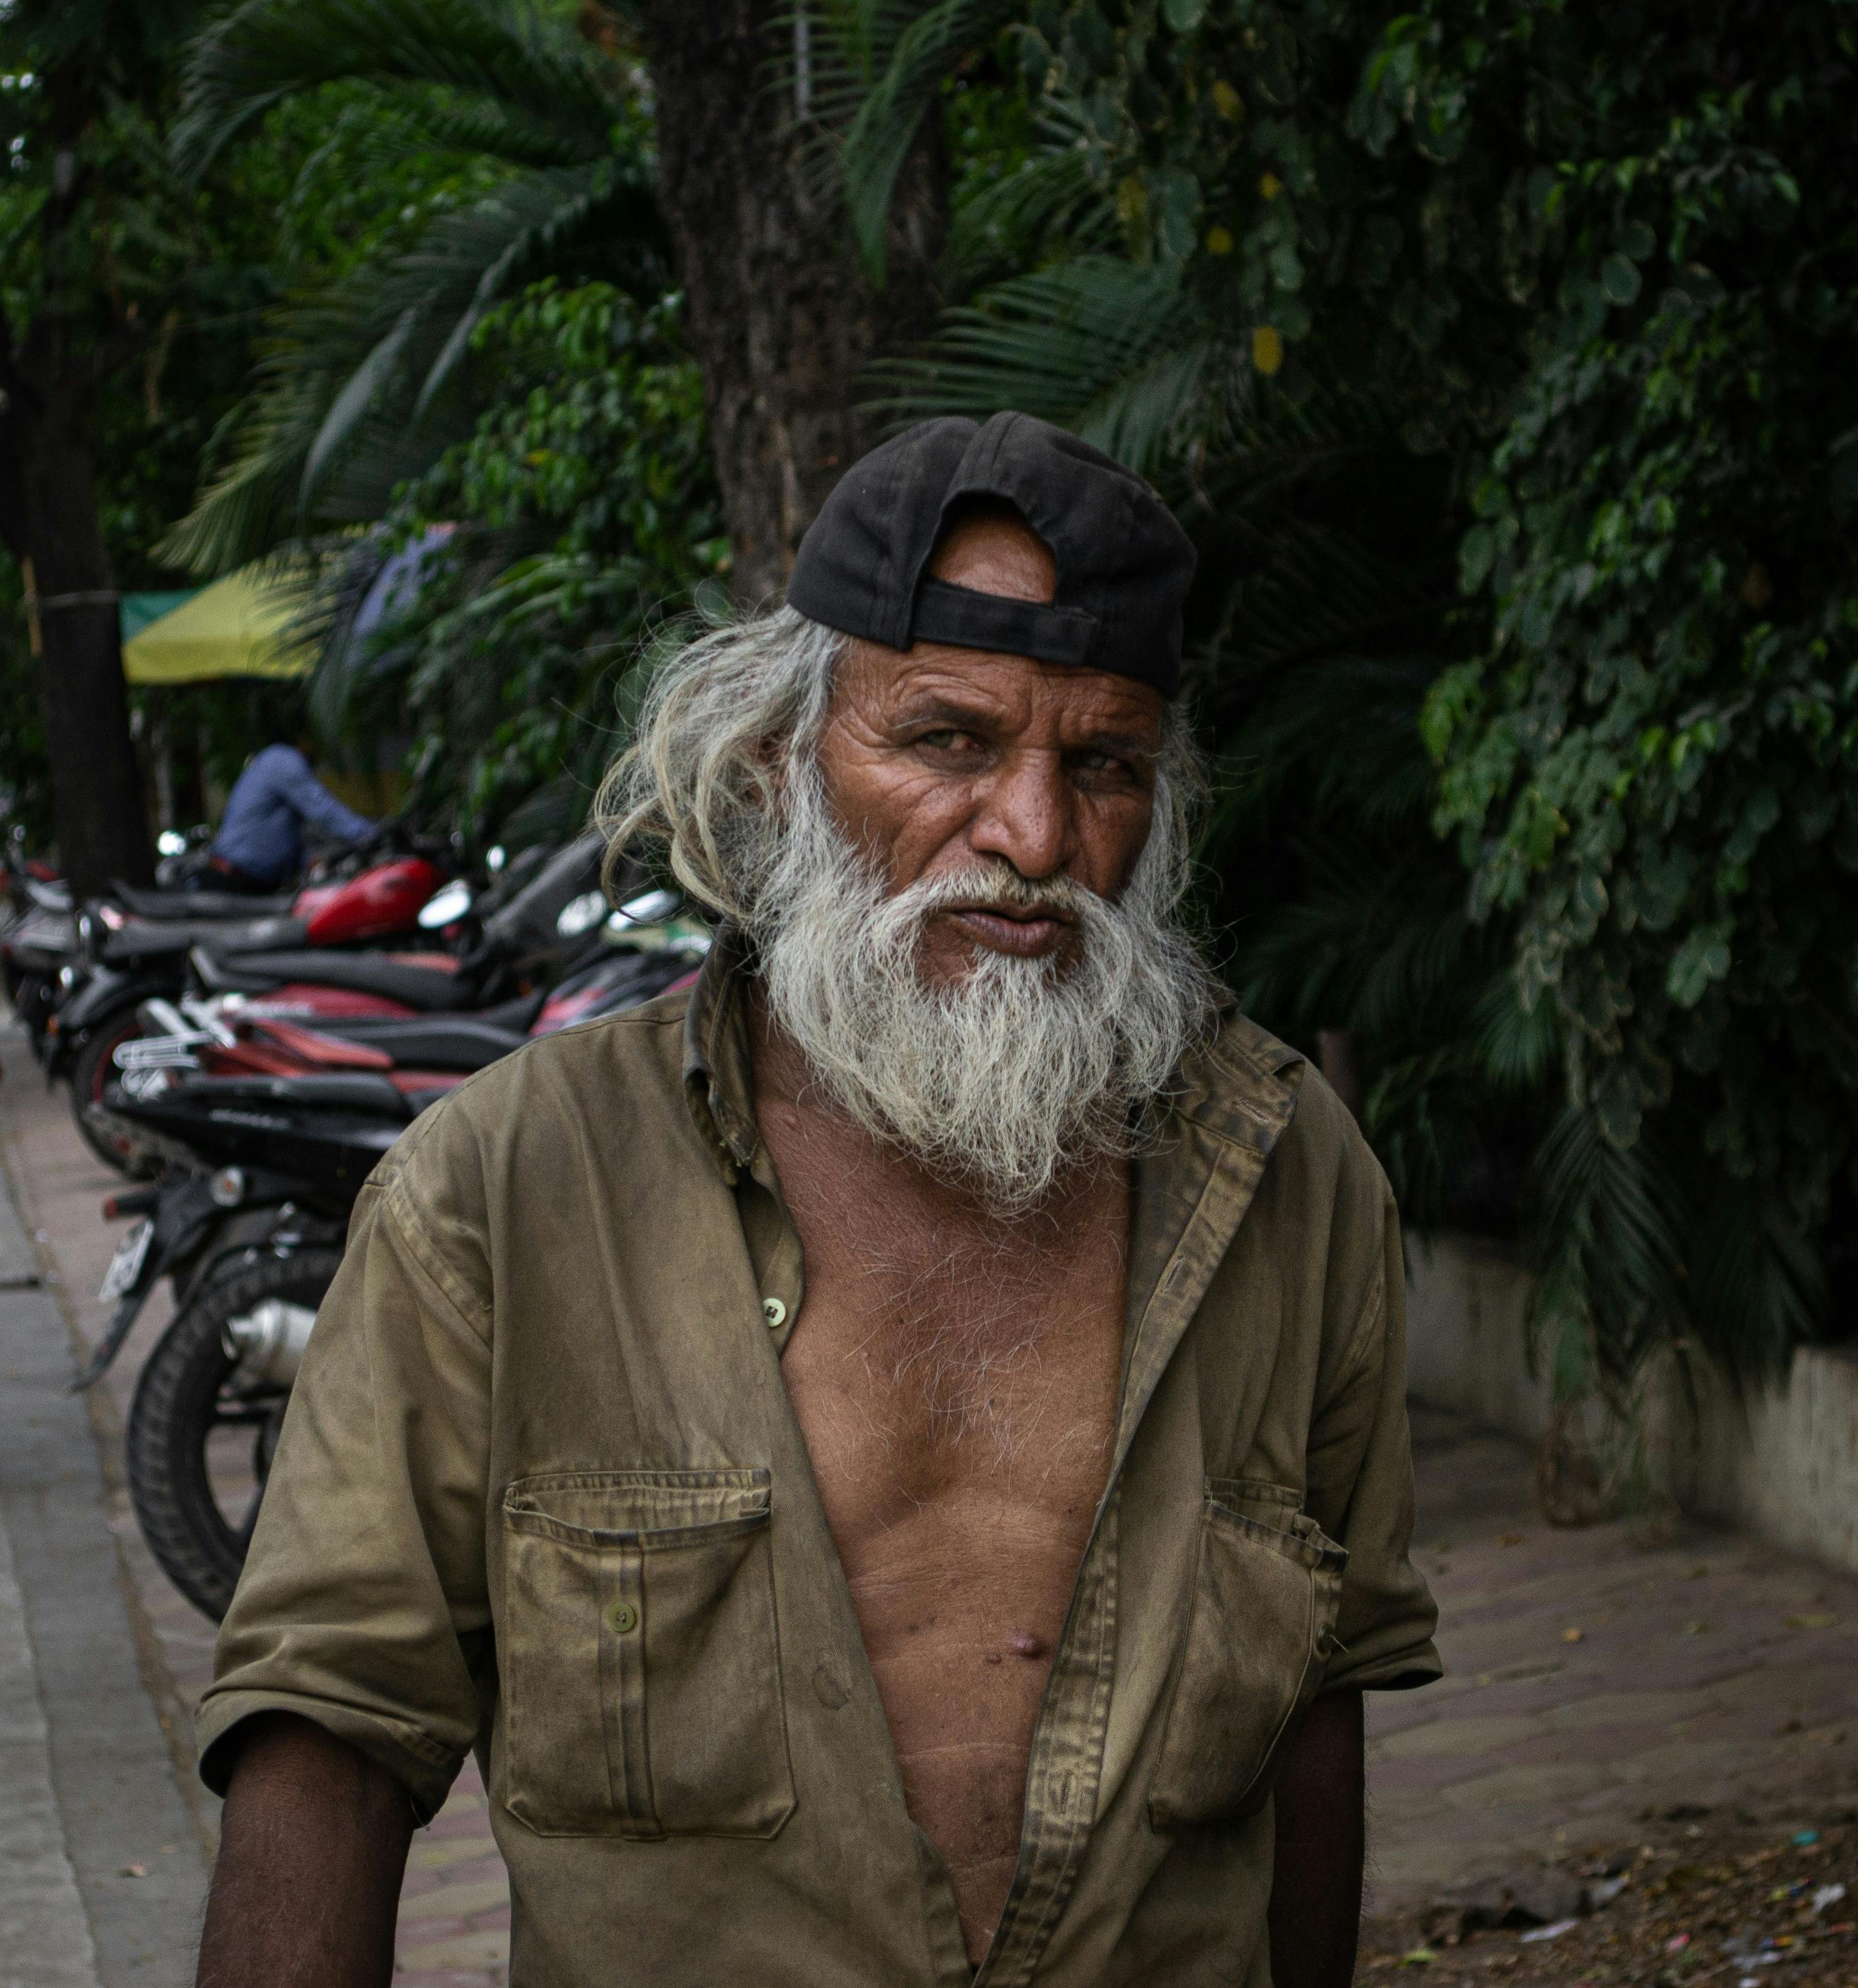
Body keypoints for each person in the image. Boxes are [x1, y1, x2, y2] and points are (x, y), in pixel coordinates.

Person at [193, 413, 1440, 1988]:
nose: (1034, 837)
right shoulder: (509, 1190)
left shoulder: (1290, 1180)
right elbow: (328, 1734)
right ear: (780, 763)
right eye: (950, 743)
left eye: (1103, 766)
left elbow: (1316, 1723)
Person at [206, 735, 375, 890]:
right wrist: (373, 835)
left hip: (249, 877)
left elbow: (288, 834)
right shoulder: (282, 759)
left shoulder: (267, 761)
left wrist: (308, 860)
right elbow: (322, 809)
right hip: (238, 879)